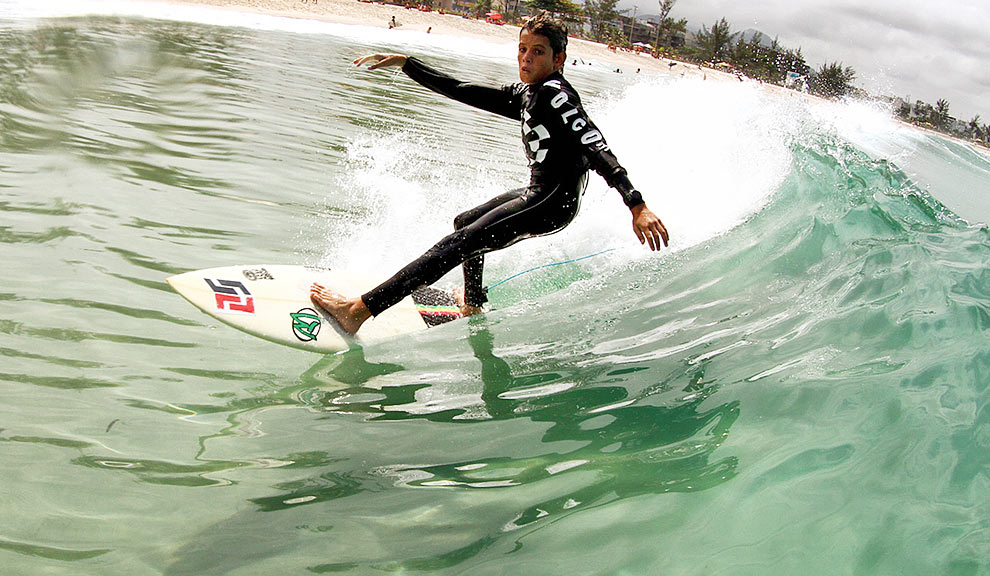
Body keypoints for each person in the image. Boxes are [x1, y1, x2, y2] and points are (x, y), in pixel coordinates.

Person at [311, 12, 668, 335]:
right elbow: (463, 91)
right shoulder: (529, 94)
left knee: (458, 244)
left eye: (538, 52)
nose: (526, 58)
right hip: (539, 195)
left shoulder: (557, 96)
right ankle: (472, 304)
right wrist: (408, 64)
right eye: (522, 49)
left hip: (551, 203)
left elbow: (594, 144)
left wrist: (636, 204)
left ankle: (358, 311)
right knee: (464, 223)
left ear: (558, 59)